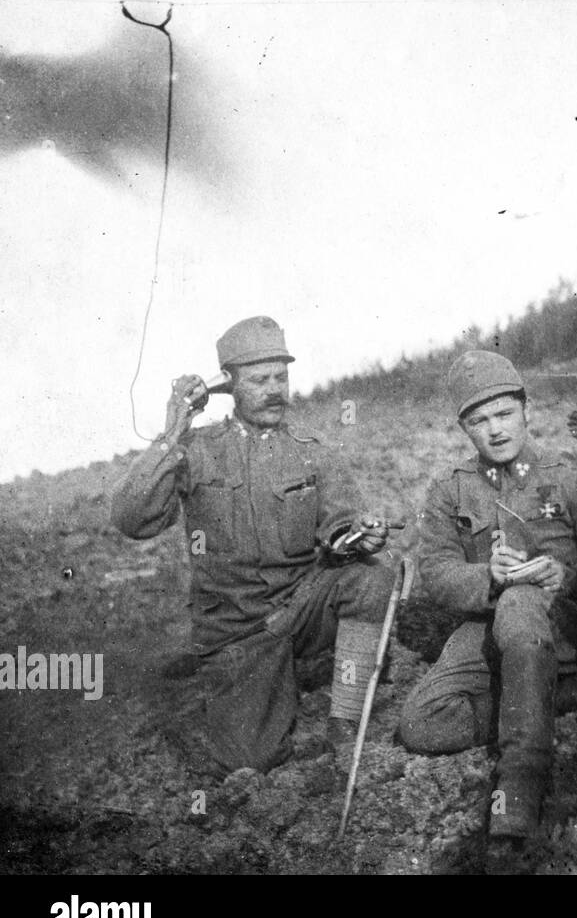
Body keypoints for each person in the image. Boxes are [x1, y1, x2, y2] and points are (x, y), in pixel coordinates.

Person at [111, 316, 396, 777]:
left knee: (373, 577)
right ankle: (251, 682)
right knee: (250, 763)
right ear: (230, 387)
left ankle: (345, 719)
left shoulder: (312, 451)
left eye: (280, 377)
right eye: (259, 380)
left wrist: (358, 536)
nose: (273, 390)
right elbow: (131, 518)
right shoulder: (197, 451)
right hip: (237, 631)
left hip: (303, 610)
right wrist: (173, 433)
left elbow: (340, 526)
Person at [399, 350, 577, 845]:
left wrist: (566, 577)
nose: (495, 430)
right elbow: (436, 574)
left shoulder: (570, 474)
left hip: (564, 626)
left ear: (526, 411)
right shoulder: (451, 490)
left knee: (522, 600)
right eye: (479, 420)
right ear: (464, 428)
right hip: (489, 629)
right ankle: (572, 696)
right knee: (420, 726)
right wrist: (487, 577)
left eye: (505, 413)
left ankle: (521, 783)